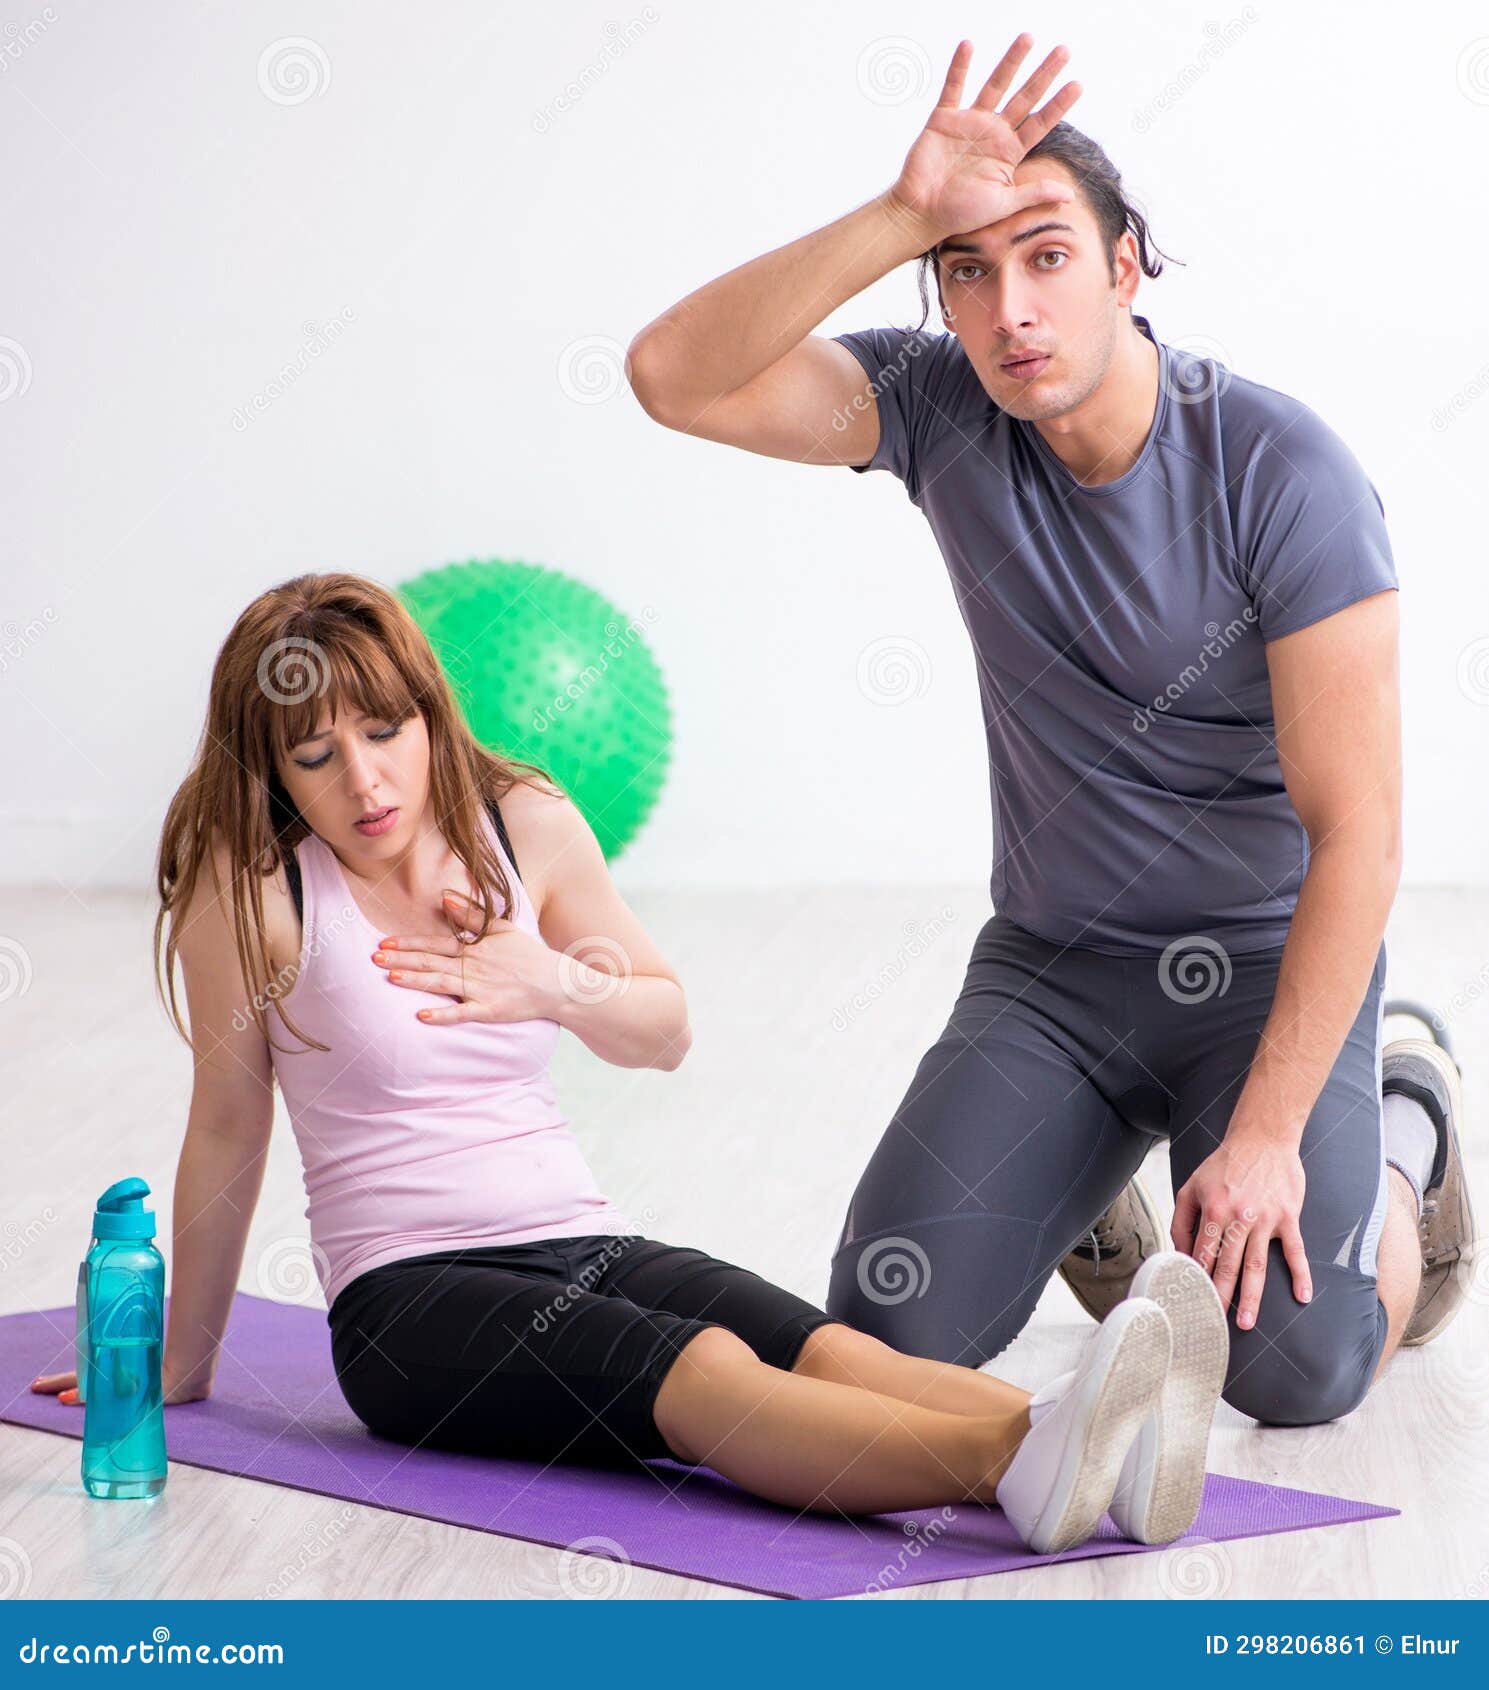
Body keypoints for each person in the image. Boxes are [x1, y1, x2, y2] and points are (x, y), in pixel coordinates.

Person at [626, 33, 1475, 1424]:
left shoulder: (1281, 471)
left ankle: (1401, 1122)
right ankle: (1099, 1192)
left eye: (1046, 256)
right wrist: (901, 214)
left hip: (1263, 964)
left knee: (1293, 1368)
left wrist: (1267, 1136)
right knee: (891, 1330)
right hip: (1059, 972)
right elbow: (673, 374)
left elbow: (1359, 834)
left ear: (1125, 266)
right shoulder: (934, 407)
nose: (1008, 306)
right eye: (967, 269)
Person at [34, 571, 1227, 1555]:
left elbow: (662, 1027)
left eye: (385, 729)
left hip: (582, 1236)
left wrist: (546, 978)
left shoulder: (523, 826)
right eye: (315, 754)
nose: (366, 780)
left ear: (430, 711)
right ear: (271, 770)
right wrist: (175, 1368)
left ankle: (1103, 1441)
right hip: (408, 1300)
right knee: (698, 1368)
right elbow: (230, 1127)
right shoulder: (258, 900)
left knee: (832, 1350)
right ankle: (1015, 1462)